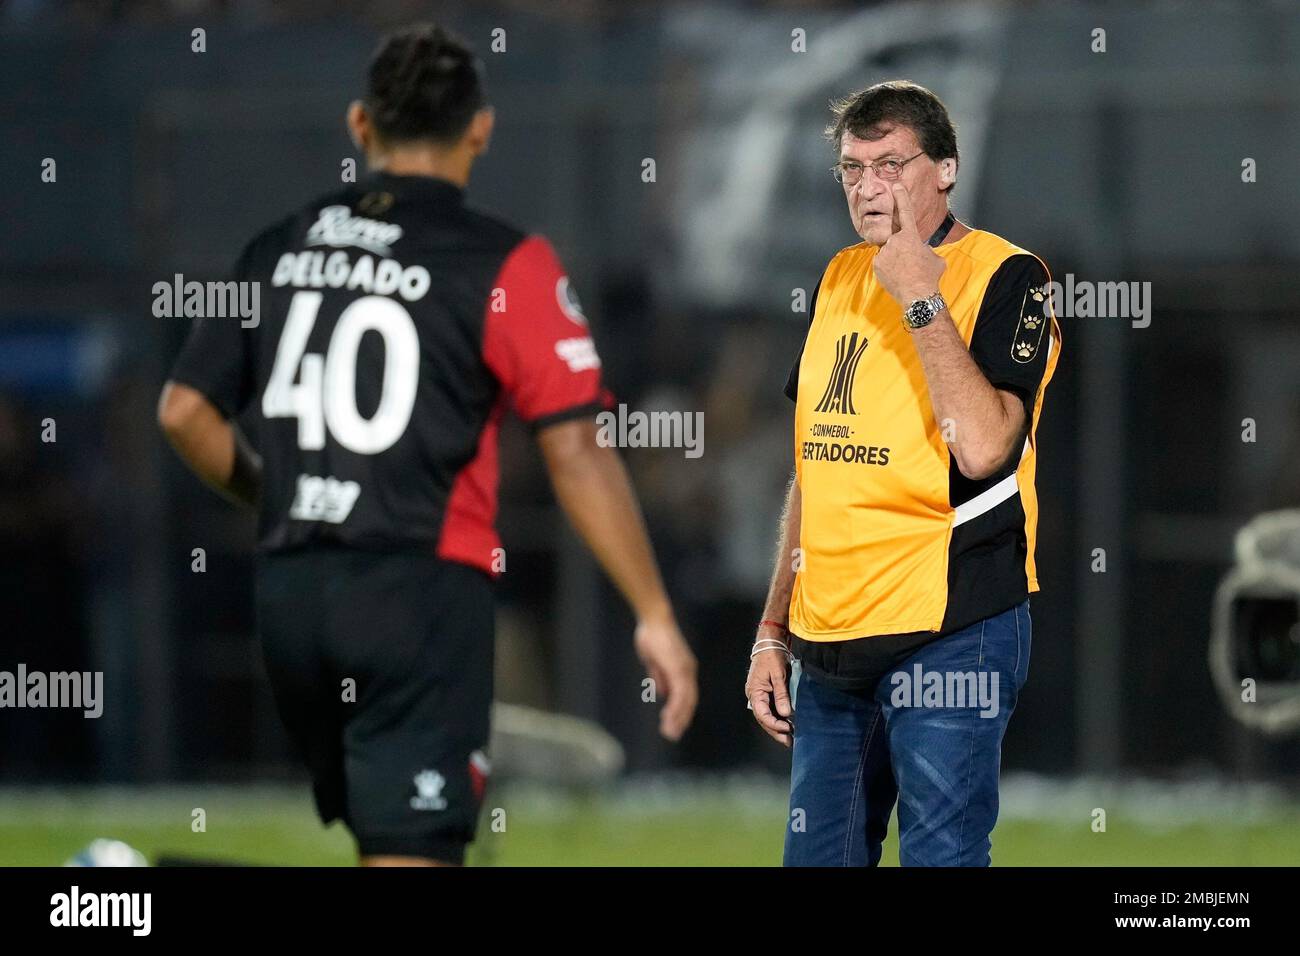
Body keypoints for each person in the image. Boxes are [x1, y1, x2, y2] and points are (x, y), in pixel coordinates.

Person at [158, 23, 697, 866]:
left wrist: (277, 497)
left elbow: (184, 413)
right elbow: (578, 451)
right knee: (412, 850)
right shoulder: (503, 262)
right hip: (416, 599)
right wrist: (655, 614)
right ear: (479, 129)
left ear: (359, 126)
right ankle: (126, 885)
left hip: (292, 594)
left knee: (397, 842)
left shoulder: (282, 243)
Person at [745, 80, 1061, 866]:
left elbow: (986, 448)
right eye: (853, 169)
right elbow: (815, 470)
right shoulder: (839, 278)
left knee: (942, 858)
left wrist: (922, 298)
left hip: (950, 629)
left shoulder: (1009, 276)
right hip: (829, 638)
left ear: (947, 169)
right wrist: (772, 628)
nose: (868, 187)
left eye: (891, 164)